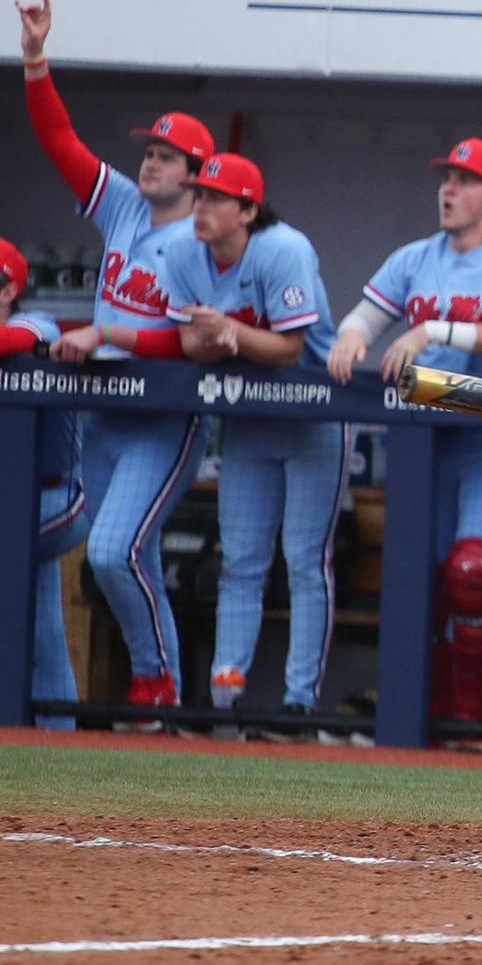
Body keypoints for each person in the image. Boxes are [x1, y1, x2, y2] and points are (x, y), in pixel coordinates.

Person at [22, 0, 213, 723]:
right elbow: (59, 141)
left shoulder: (203, 238)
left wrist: (105, 335)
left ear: (195, 172)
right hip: (103, 413)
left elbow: (187, 341)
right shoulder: (127, 207)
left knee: (112, 553)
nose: (150, 160)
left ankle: (157, 687)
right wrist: (36, 59)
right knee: (111, 557)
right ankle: (141, 689)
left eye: (165, 154)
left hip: (162, 412)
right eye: (149, 150)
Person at [326, 138, 482, 733]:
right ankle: (422, 714)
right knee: (421, 577)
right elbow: (366, 315)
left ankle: (472, 717)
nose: (449, 190)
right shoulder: (416, 257)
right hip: (427, 439)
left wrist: (428, 330)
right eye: (446, 178)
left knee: (472, 571)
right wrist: (351, 333)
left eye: (465, 180)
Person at [155, 154, 343, 737]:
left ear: (248, 210)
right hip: (248, 420)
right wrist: (209, 340)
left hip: (313, 413)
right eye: (198, 194)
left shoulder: (283, 248)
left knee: (306, 562)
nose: (201, 206)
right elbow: (186, 339)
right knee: (240, 562)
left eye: (214, 197)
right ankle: (224, 696)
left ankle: (297, 704)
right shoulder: (183, 250)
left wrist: (228, 333)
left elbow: (290, 347)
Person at [0, 235, 88, 729]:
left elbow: (20, 339)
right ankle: (59, 743)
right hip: (11, 503)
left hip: (60, 498)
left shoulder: (36, 321)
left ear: (8, 289)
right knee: (43, 631)